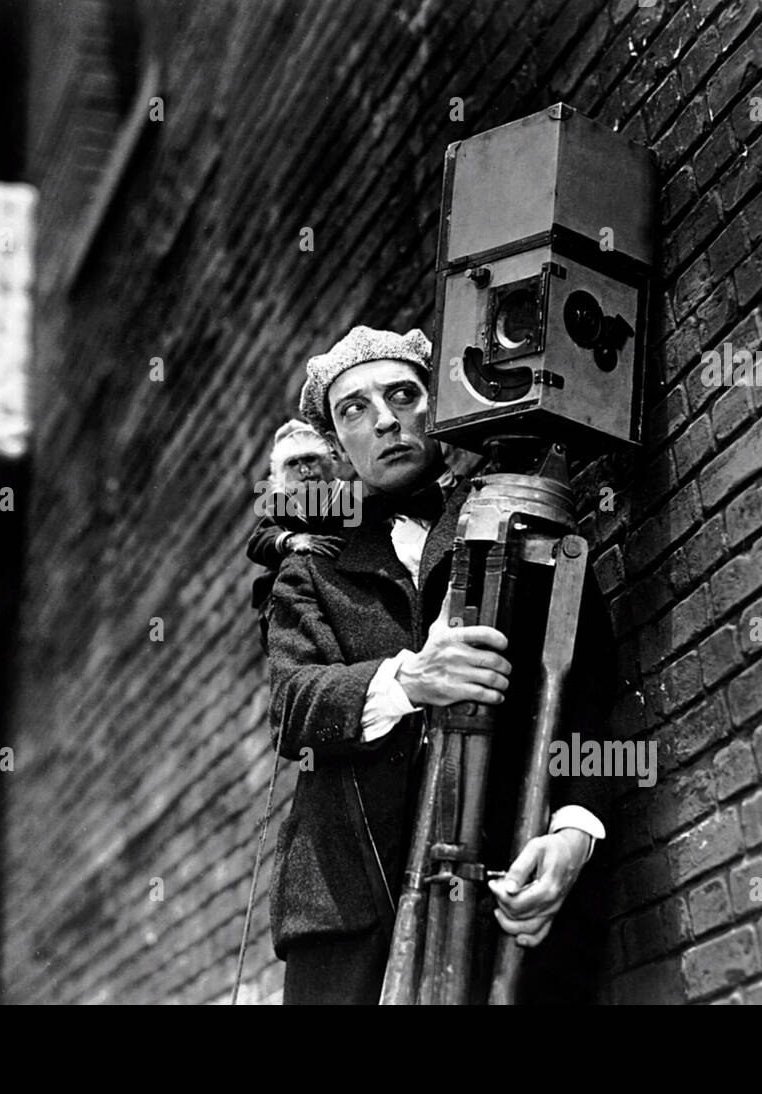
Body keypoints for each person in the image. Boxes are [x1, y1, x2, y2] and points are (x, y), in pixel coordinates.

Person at [264, 325, 618, 1005]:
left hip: (504, 893)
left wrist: (577, 827)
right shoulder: (309, 566)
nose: (386, 420)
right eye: (355, 410)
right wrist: (408, 681)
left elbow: (588, 691)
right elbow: (294, 705)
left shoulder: (520, 518)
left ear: (440, 406)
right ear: (339, 445)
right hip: (346, 918)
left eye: (403, 395)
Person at [247, 419, 353, 652]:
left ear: (328, 462)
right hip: (288, 595)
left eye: (310, 460)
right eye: (293, 464)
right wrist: (295, 540)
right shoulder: (281, 504)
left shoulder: (345, 496)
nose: (305, 471)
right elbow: (257, 542)